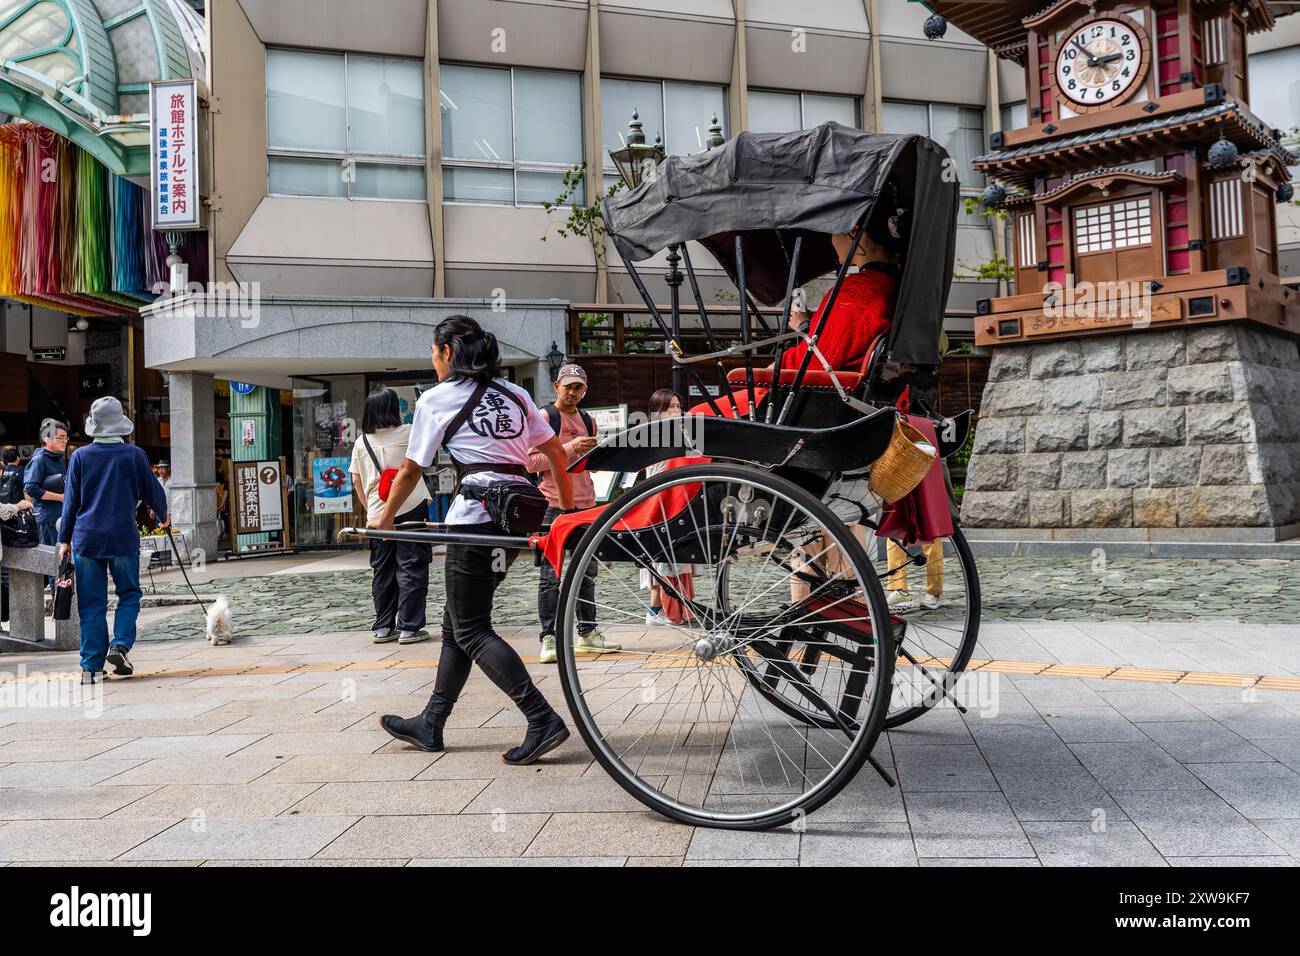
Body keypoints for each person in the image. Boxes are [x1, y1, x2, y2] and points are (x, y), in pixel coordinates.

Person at [372, 315, 575, 766]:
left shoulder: (436, 399)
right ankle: (431, 723)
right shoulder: (517, 395)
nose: (432, 360)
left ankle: (541, 718)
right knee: (458, 622)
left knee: (471, 628)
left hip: (476, 518)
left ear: (446, 352)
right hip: (517, 517)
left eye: (432, 352)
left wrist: (384, 519)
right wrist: (563, 512)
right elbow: (556, 453)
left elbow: (411, 469)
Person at [57, 397, 169, 684]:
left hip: (87, 539)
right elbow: (153, 492)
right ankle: (119, 645)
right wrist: (163, 516)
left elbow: (71, 502)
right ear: (120, 423)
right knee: (129, 594)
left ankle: (91, 668)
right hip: (122, 537)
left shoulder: (80, 457)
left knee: (92, 603)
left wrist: (64, 539)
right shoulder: (134, 455)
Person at [528, 362, 619, 664]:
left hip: (586, 504)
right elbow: (531, 463)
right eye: (568, 386)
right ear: (556, 386)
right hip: (551, 506)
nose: (572, 392)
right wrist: (569, 448)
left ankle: (588, 632)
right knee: (549, 575)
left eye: (578, 387)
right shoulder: (545, 417)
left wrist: (596, 452)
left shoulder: (588, 420)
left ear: (585, 390)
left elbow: (587, 464)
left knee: (587, 572)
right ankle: (549, 637)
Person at [349, 386, 433, 644]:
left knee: (382, 570)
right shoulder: (409, 433)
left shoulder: (360, 443)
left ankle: (383, 627)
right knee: (412, 566)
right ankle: (409, 627)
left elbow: (356, 482)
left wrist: (373, 509)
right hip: (412, 509)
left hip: (377, 513)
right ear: (394, 409)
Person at [636, 389, 702, 625]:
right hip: (662, 502)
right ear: (658, 410)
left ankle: (678, 609)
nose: (675, 410)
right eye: (669, 407)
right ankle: (657, 610)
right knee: (663, 557)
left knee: (679, 555)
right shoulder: (653, 435)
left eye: (677, 406)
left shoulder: (680, 434)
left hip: (679, 500)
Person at [23, 419, 68, 551]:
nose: (65, 441)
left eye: (66, 437)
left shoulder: (58, 457)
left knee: (62, 560)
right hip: (47, 518)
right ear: (47, 439)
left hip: (60, 515)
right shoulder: (39, 459)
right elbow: (30, 488)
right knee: (51, 561)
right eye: (61, 438)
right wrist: (61, 497)